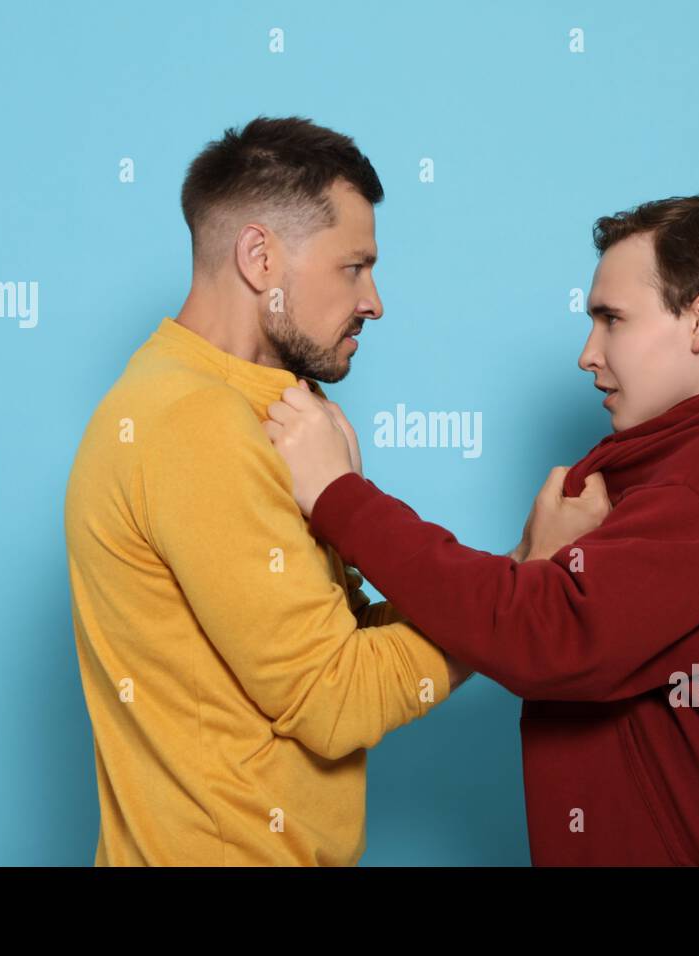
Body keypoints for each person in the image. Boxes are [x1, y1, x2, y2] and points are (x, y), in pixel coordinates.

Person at [265, 192, 699, 865]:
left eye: (612, 319)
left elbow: (551, 639)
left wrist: (338, 495)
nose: (587, 353)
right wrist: (550, 559)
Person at [63, 115, 600, 865]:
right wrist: (523, 592)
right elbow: (334, 698)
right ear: (259, 256)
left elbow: (334, 647)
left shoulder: (258, 408)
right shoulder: (195, 422)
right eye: (354, 266)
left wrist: (517, 570)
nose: (374, 300)